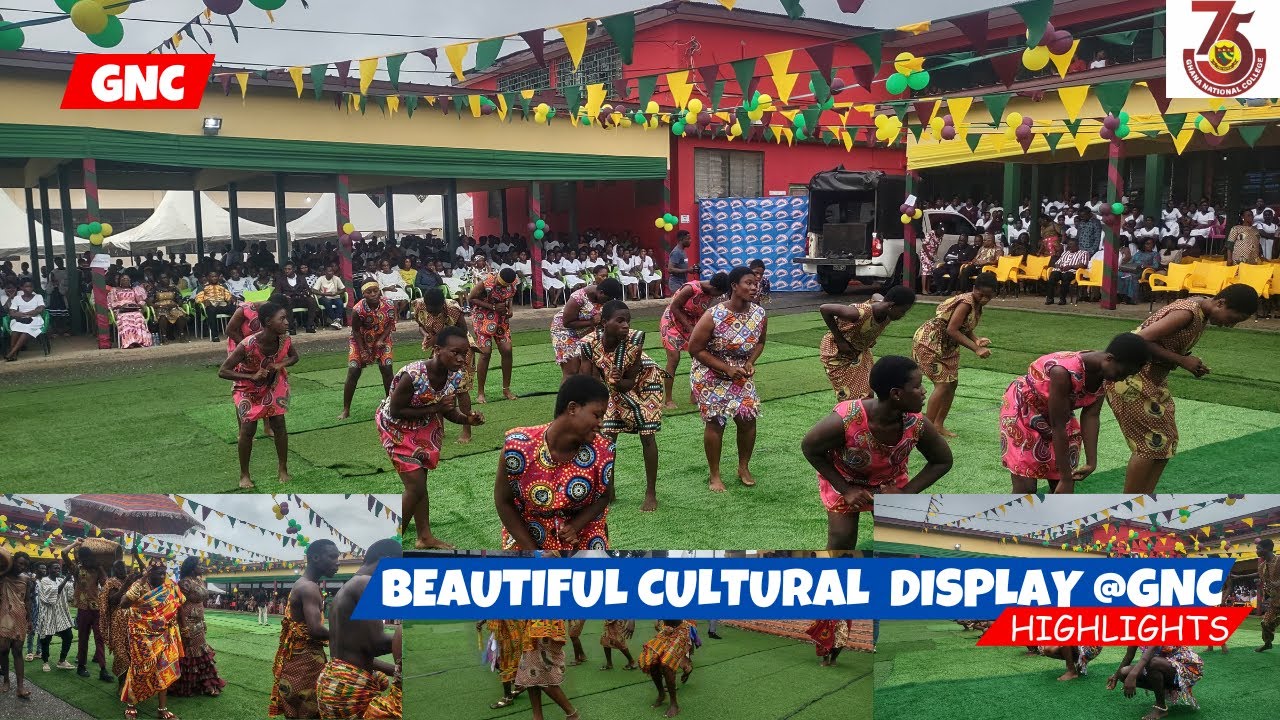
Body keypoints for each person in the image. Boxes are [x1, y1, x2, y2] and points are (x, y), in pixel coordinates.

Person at [1106, 286, 1258, 492]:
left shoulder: (1201, 310)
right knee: (1148, 444)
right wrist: (1182, 360)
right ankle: (1127, 505)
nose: (1230, 325)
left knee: (1165, 441)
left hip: (1153, 379)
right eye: (1233, 318)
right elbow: (1136, 340)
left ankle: (1143, 500)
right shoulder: (1186, 313)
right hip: (1132, 377)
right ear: (1220, 303)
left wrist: (1186, 362)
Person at [803, 355, 953, 549]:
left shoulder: (917, 423)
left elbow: (942, 461)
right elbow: (810, 448)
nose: (924, 391)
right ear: (896, 394)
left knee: (901, 541)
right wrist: (846, 489)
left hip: (889, 483)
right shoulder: (846, 420)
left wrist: (905, 493)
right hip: (844, 480)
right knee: (841, 541)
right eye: (917, 387)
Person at [1001, 334, 1150, 494]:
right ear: (1110, 359)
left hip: (1060, 411)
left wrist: (1091, 463)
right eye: (1123, 373)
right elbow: (1058, 426)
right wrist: (1066, 479)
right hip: (1024, 412)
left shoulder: (1105, 374)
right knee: (1027, 487)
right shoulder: (1062, 372)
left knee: (1059, 480)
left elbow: (1091, 416)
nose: (1122, 379)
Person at [378, 326, 485, 549]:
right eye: (454, 352)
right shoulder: (413, 374)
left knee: (420, 484)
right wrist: (434, 407)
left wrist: (467, 420)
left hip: (424, 429)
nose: (460, 358)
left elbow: (448, 411)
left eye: (464, 353)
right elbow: (396, 411)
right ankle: (388, 545)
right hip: (395, 428)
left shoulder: (455, 376)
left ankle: (424, 536)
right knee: (415, 487)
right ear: (437, 350)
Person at [495, 375, 614, 551]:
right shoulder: (518, 447)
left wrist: (576, 525)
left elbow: (605, 496)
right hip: (528, 533)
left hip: (584, 532)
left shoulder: (604, 451)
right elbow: (503, 501)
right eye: (597, 415)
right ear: (572, 408)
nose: (601, 424)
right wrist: (534, 553)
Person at [578, 301, 667, 513]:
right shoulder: (588, 344)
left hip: (646, 385)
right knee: (608, 435)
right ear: (604, 322)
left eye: (627, 320)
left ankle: (650, 493)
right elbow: (586, 378)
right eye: (619, 320)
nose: (626, 325)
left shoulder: (635, 341)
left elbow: (630, 381)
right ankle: (609, 489)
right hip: (612, 386)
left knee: (647, 435)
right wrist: (607, 387)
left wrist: (618, 382)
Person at [688, 267, 767, 493]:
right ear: (734, 286)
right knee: (716, 422)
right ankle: (714, 474)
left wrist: (750, 361)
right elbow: (694, 348)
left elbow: (760, 342)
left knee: (748, 418)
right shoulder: (714, 314)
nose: (754, 287)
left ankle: (743, 467)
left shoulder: (759, 314)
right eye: (748, 283)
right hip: (710, 373)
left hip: (740, 373)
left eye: (756, 283)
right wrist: (726, 368)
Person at [315, 539, 401, 719]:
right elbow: (375, 644)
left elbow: (357, 650)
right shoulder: (366, 583)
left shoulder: (347, 587)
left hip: (333, 681)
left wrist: (396, 670)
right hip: (349, 687)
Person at [218, 301, 298, 488]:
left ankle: (283, 469)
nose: (287, 322)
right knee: (247, 430)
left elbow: (295, 357)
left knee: (279, 425)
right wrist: (251, 376)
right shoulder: (247, 344)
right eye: (282, 319)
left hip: (273, 384)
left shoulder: (285, 340)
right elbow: (223, 371)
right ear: (269, 322)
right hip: (247, 387)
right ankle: (244, 475)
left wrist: (279, 365)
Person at [911, 272, 996, 437]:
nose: (984, 298)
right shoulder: (966, 302)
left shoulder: (976, 303)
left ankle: (938, 425)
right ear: (974, 289)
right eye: (981, 294)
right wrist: (976, 349)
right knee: (942, 385)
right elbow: (952, 329)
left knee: (952, 383)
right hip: (930, 342)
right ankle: (925, 430)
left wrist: (976, 339)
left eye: (989, 296)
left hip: (947, 346)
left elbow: (964, 325)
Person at [269, 539, 340, 719]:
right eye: (332, 557)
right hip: (307, 659)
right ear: (315, 557)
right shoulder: (309, 587)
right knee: (309, 709)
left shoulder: (301, 583)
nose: (337, 562)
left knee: (297, 709)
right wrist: (348, 635)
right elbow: (316, 630)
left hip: (295, 656)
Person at [819, 286, 917, 402]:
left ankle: (865, 418)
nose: (902, 315)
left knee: (868, 392)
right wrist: (840, 340)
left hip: (860, 352)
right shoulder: (859, 313)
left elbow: (876, 295)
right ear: (891, 305)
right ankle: (847, 418)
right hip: (837, 353)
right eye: (902, 311)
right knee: (850, 398)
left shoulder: (886, 310)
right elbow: (824, 309)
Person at [119, 559, 185, 720]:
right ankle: (131, 705)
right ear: (149, 574)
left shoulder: (170, 586)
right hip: (141, 635)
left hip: (165, 635)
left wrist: (183, 628)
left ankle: (162, 709)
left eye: (164, 573)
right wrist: (141, 580)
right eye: (158, 573)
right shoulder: (140, 585)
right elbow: (124, 603)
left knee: (164, 668)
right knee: (139, 669)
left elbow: (178, 605)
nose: (163, 576)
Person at [412, 288, 478, 444]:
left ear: (442, 305)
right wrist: (426, 335)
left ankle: (466, 429)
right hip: (440, 348)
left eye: (436, 311)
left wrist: (439, 338)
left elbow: (463, 332)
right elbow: (420, 324)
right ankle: (439, 428)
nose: (433, 314)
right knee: (437, 387)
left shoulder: (453, 309)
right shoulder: (419, 305)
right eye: (430, 310)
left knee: (461, 390)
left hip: (460, 349)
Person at [659, 272, 730, 409]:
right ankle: (668, 400)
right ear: (715, 288)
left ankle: (695, 395)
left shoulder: (710, 292)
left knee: (699, 357)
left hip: (692, 324)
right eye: (719, 293)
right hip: (672, 322)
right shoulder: (691, 289)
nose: (718, 296)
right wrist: (689, 327)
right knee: (674, 359)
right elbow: (674, 307)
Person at [339, 283, 397, 421]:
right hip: (360, 340)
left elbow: (390, 324)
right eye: (369, 292)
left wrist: (381, 339)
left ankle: (391, 405)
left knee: (387, 369)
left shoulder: (389, 304)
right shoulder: (357, 309)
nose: (373, 294)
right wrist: (363, 351)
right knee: (354, 371)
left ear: (380, 292)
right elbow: (356, 331)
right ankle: (346, 409)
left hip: (382, 338)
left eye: (375, 291)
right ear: (363, 294)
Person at [169, 558, 224, 698]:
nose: (202, 567)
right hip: (187, 621)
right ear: (192, 568)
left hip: (199, 620)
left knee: (200, 650)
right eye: (199, 565)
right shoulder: (184, 583)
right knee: (189, 651)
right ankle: (188, 686)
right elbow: (178, 605)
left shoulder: (199, 581)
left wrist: (203, 620)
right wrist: (184, 628)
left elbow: (200, 602)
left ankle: (205, 684)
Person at [550, 278, 624, 378]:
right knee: (572, 371)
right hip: (564, 331)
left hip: (587, 332)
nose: (609, 301)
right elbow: (567, 322)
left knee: (590, 369)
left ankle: (587, 393)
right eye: (608, 299)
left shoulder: (604, 297)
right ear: (601, 293)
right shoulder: (579, 297)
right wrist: (591, 322)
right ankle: (567, 393)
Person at [61, 538, 112, 682]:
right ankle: (81, 667)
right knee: (83, 639)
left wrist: (101, 569)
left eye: (88, 558)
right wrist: (75, 544)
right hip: (83, 610)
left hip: (96, 609)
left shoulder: (97, 569)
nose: (86, 561)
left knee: (99, 639)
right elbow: (64, 553)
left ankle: (103, 669)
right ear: (81, 559)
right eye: (83, 558)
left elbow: (107, 585)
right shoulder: (77, 569)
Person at [1106, 645, 1203, 718]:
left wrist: (1132, 676)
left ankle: (1161, 707)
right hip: (1162, 666)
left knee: (1153, 662)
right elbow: (1129, 656)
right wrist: (1116, 676)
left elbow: (1148, 655)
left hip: (1185, 669)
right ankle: (1163, 687)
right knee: (1123, 673)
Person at [469, 268, 520, 405]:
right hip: (482, 317)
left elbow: (510, 297)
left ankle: (506, 389)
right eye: (502, 284)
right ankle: (480, 392)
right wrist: (492, 307)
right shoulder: (487, 281)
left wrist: (510, 309)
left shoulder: (513, 282)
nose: (504, 287)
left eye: (507, 285)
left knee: (507, 350)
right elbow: (471, 298)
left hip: (500, 318)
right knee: (485, 352)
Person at [100, 559, 140, 690]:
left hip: (134, 621)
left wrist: (137, 557)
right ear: (114, 570)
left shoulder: (132, 581)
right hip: (118, 622)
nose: (123, 570)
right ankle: (121, 684)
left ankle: (131, 684)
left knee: (134, 653)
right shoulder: (111, 582)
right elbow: (112, 601)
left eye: (124, 567)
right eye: (119, 568)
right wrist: (125, 585)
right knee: (121, 654)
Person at [640, 620, 691, 719]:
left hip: (680, 630)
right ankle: (662, 694)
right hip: (666, 630)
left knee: (666, 664)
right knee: (651, 660)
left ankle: (674, 704)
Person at [0, 551, 31, 700]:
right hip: (4, 616)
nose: (22, 567)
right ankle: (6, 680)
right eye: (20, 563)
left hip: (20, 617)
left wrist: (30, 619)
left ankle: (20, 686)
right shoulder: (3, 575)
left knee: (18, 651)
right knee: (3, 650)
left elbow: (28, 600)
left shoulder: (26, 579)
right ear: (13, 562)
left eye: (25, 565)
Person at [35, 559, 74, 672]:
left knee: (69, 636)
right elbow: (53, 593)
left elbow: (71, 593)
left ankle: (62, 660)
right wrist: (66, 579)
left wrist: (75, 577)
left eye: (59, 568)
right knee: (46, 639)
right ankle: (45, 662)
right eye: (55, 568)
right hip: (48, 615)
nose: (58, 569)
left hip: (60, 614)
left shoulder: (60, 580)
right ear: (49, 570)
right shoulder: (44, 581)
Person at [3, 280, 45, 361]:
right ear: (22, 288)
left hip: (35, 319)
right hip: (21, 319)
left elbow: (41, 308)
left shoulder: (38, 296)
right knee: (15, 329)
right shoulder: (17, 298)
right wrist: (26, 314)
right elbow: (12, 312)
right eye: (26, 286)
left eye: (31, 286)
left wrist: (29, 313)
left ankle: (11, 353)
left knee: (27, 329)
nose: (29, 288)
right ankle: (14, 355)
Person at [108, 276, 153, 348]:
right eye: (123, 279)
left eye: (127, 279)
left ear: (130, 281)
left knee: (139, 318)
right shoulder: (115, 290)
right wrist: (121, 305)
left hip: (134, 310)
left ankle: (140, 341)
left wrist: (139, 304)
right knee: (126, 320)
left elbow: (140, 300)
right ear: (120, 281)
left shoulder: (134, 289)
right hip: (121, 311)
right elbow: (111, 303)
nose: (126, 281)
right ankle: (129, 342)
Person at [1044, 238, 1090, 305]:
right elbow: (1057, 263)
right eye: (1068, 245)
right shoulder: (1065, 253)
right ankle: (1050, 298)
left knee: (1065, 277)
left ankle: (1062, 299)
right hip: (1061, 270)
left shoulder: (1084, 253)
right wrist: (1060, 266)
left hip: (1073, 271)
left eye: (1071, 245)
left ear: (1077, 245)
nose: (1069, 247)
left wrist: (1070, 266)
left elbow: (1083, 265)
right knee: (1053, 276)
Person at [277, 264, 320, 334]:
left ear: (294, 269)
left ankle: (309, 326)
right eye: (285, 269)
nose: (286, 271)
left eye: (289, 269)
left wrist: (307, 293)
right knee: (287, 303)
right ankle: (291, 328)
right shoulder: (281, 279)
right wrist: (283, 295)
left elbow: (308, 289)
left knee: (311, 301)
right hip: (290, 300)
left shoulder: (301, 278)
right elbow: (278, 292)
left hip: (301, 298)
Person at [195, 272, 236, 343]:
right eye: (212, 277)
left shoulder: (223, 286)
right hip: (211, 306)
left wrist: (230, 300)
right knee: (211, 310)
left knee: (234, 309)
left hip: (222, 305)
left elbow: (228, 296)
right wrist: (205, 300)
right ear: (208, 278)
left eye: (216, 276)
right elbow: (198, 299)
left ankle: (233, 332)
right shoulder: (202, 287)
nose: (214, 278)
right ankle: (215, 336)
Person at [151, 274, 189, 343]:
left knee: (180, 315)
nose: (166, 279)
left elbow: (180, 299)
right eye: (163, 278)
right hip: (160, 307)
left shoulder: (174, 288)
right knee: (163, 316)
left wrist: (176, 304)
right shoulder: (155, 289)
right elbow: (149, 301)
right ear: (159, 280)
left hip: (172, 307)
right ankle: (164, 337)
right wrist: (158, 306)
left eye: (167, 278)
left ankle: (182, 335)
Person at [1255, 538, 1277, 652]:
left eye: (1258, 548)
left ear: (1267, 549)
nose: (1256, 551)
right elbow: (1265, 581)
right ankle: (1268, 643)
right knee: (1265, 623)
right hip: (1275, 601)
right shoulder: (1261, 566)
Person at [1036, 645, 1103, 681]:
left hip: (1091, 647)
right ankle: (1078, 662)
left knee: (1064, 637)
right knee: (1047, 649)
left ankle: (1071, 671)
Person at [311, 265, 347, 330]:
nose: (331, 272)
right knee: (328, 302)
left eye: (332, 271)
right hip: (323, 297)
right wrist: (324, 294)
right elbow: (314, 290)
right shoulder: (321, 279)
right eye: (329, 271)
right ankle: (335, 320)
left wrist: (336, 293)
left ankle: (337, 321)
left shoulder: (336, 278)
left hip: (334, 296)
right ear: (325, 272)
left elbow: (343, 289)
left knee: (340, 303)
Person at [667, 230, 692, 295]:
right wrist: (687, 270)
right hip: (676, 283)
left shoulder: (682, 251)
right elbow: (670, 269)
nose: (690, 241)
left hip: (683, 282)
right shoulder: (676, 252)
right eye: (688, 239)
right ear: (681, 239)